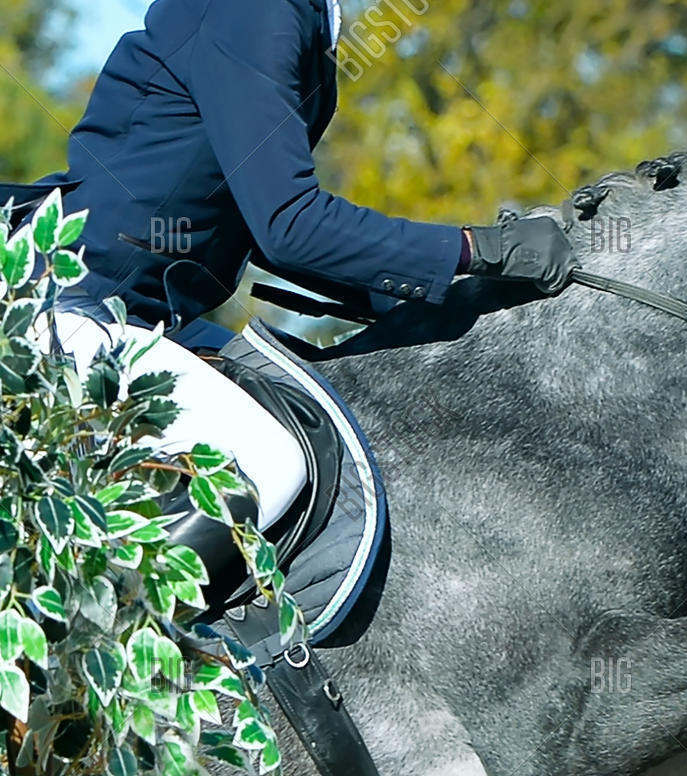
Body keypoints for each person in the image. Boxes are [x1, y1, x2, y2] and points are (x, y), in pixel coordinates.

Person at [42, 0, 576, 582]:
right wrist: (474, 249)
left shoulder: (295, 12)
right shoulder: (254, 10)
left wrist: (432, 297)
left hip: (149, 317)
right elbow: (289, 224)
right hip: (74, 308)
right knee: (268, 464)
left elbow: (257, 226)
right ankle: (122, 653)